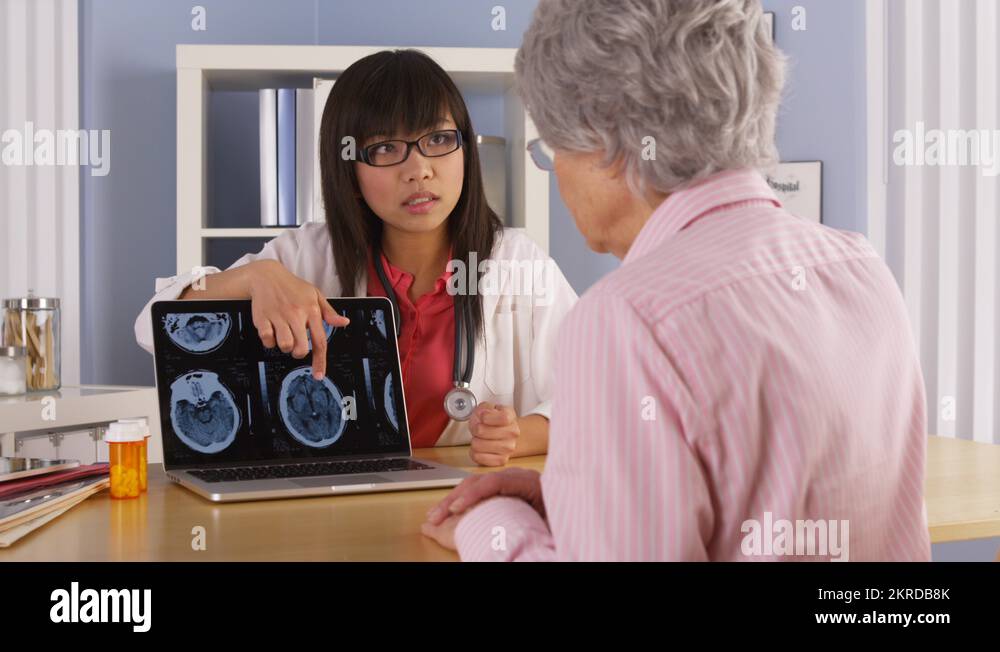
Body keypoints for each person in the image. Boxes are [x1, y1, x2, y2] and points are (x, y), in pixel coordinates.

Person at [423, 0, 931, 561]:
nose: (558, 174)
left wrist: (492, 525)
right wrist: (580, 498)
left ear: (605, 137)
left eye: (552, 149)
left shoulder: (628, 318)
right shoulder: (860, 269)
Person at [135, 49, 577, 466]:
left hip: (464, 504)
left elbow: (597, 399)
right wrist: (255, 277)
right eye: (385, 148)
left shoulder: (519, 264)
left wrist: (520, 434)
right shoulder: (306, 255)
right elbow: (151, 327)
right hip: (334, 505)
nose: (419, 169)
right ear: (348, 172)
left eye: (439, 139)